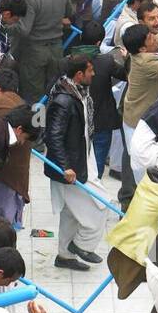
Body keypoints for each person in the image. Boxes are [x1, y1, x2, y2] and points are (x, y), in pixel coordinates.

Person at [43, 53, 108, 273]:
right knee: (101, 206)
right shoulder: (64, 100)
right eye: (90, 70)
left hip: (81, 157)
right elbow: (53, 136)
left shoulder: (78, 93)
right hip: (71, 166)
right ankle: (81, 245)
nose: (94, 73)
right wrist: (65, 167)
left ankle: (65, 255)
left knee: (70, 213)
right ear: (79, 75)